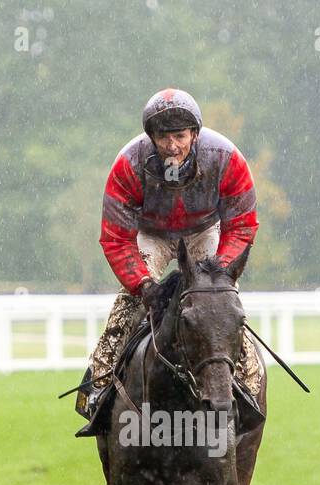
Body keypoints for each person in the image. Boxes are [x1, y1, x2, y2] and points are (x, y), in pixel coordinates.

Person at [75, 88, 262, 426]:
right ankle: (99, 384)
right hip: (152, 234)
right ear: (152, 137)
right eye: (164, 137)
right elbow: (116, 236)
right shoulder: (129, 165)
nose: (172, 146)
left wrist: (220, 269)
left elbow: (242, 224)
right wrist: (142, 285)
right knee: (129, 304)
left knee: (219, 305)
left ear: (195, 134)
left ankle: (249, 382)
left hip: (205, 230)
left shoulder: (225, 158)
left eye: (180, 136)